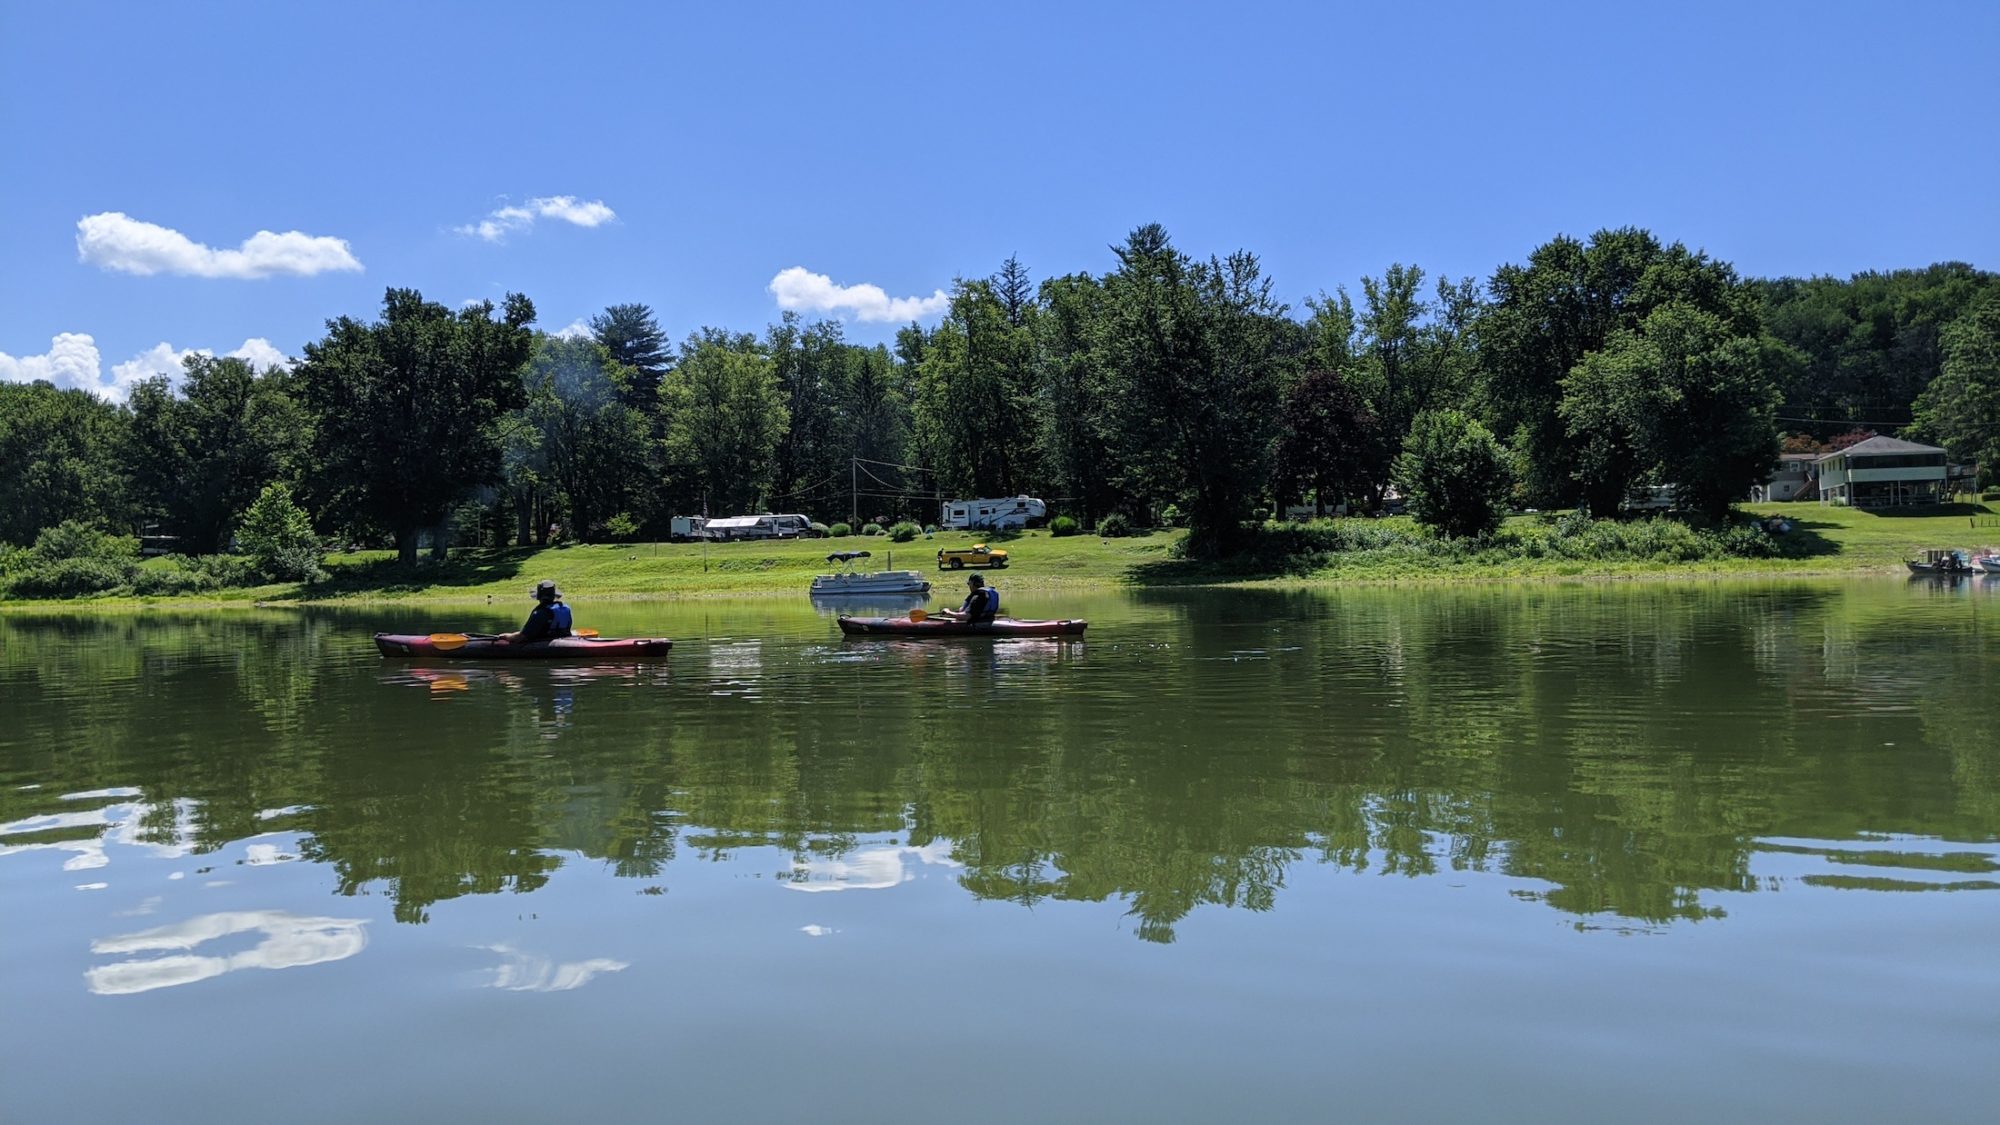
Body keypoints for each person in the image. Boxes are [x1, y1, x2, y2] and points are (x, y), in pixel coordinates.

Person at [500, 580, 573, 644]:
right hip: (563, 639)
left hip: (544, 643)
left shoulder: (541, 612)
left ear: (539, 595)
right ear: (553, 595)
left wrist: (506, 636)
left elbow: (522, 637)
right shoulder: (565, 608)